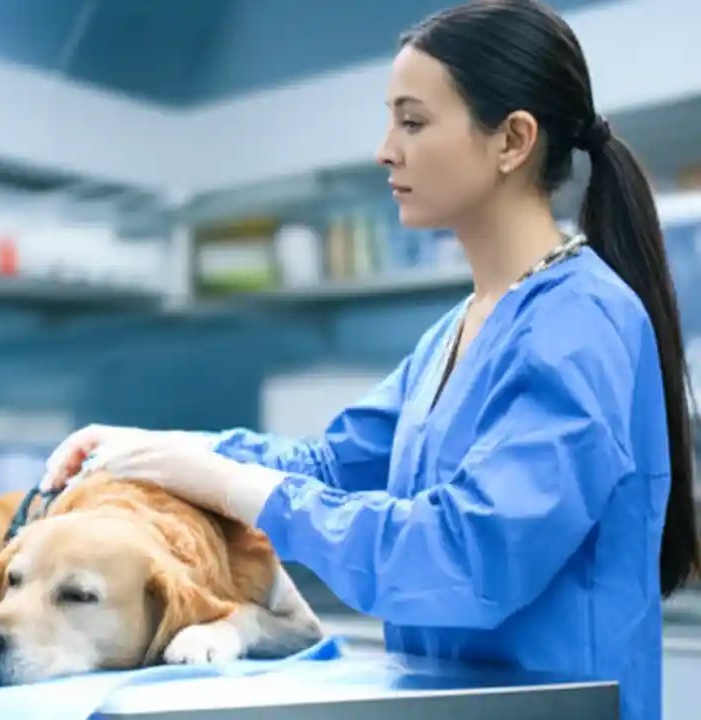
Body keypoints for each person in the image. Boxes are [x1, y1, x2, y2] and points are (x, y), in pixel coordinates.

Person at [39, 2, 699, 719]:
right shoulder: (457, 332)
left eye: (413, 122)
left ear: (512, 140)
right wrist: (160, 451)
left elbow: (465, 557)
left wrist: (234, 486)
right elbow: (331, 465)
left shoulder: (582, 323)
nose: (386, 150)